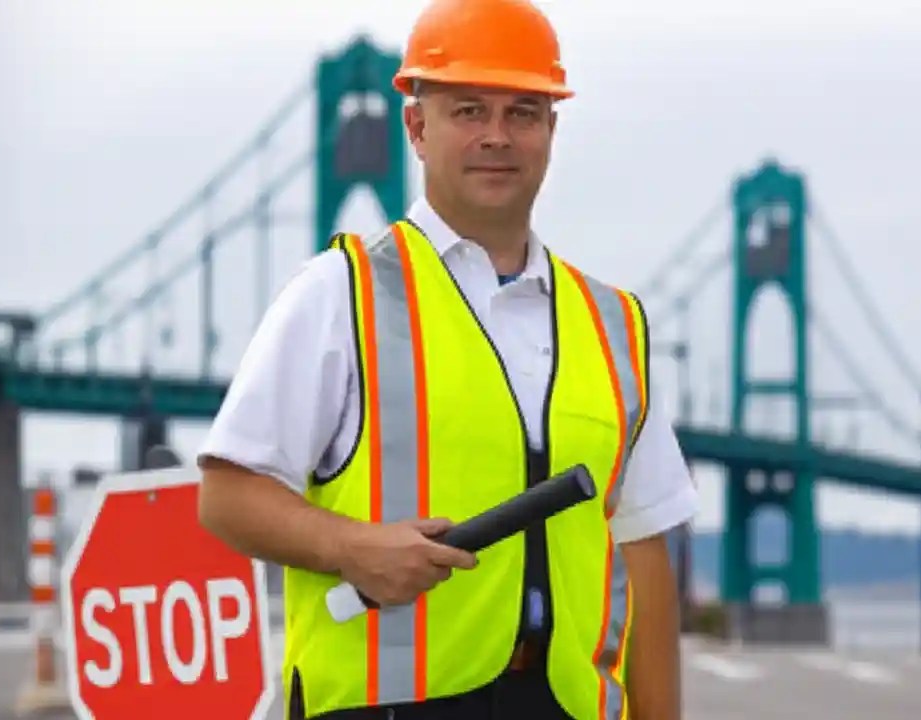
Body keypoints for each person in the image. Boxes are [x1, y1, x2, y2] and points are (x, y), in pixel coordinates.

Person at [195, 1, 698, 718]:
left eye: (523, 113)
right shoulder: (340, 296)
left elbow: (644, 554)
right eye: (469, 110)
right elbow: (227, 495)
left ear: (551, 131)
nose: (497, 136)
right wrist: (352, 547)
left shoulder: (615, 325)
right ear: (417, 127)